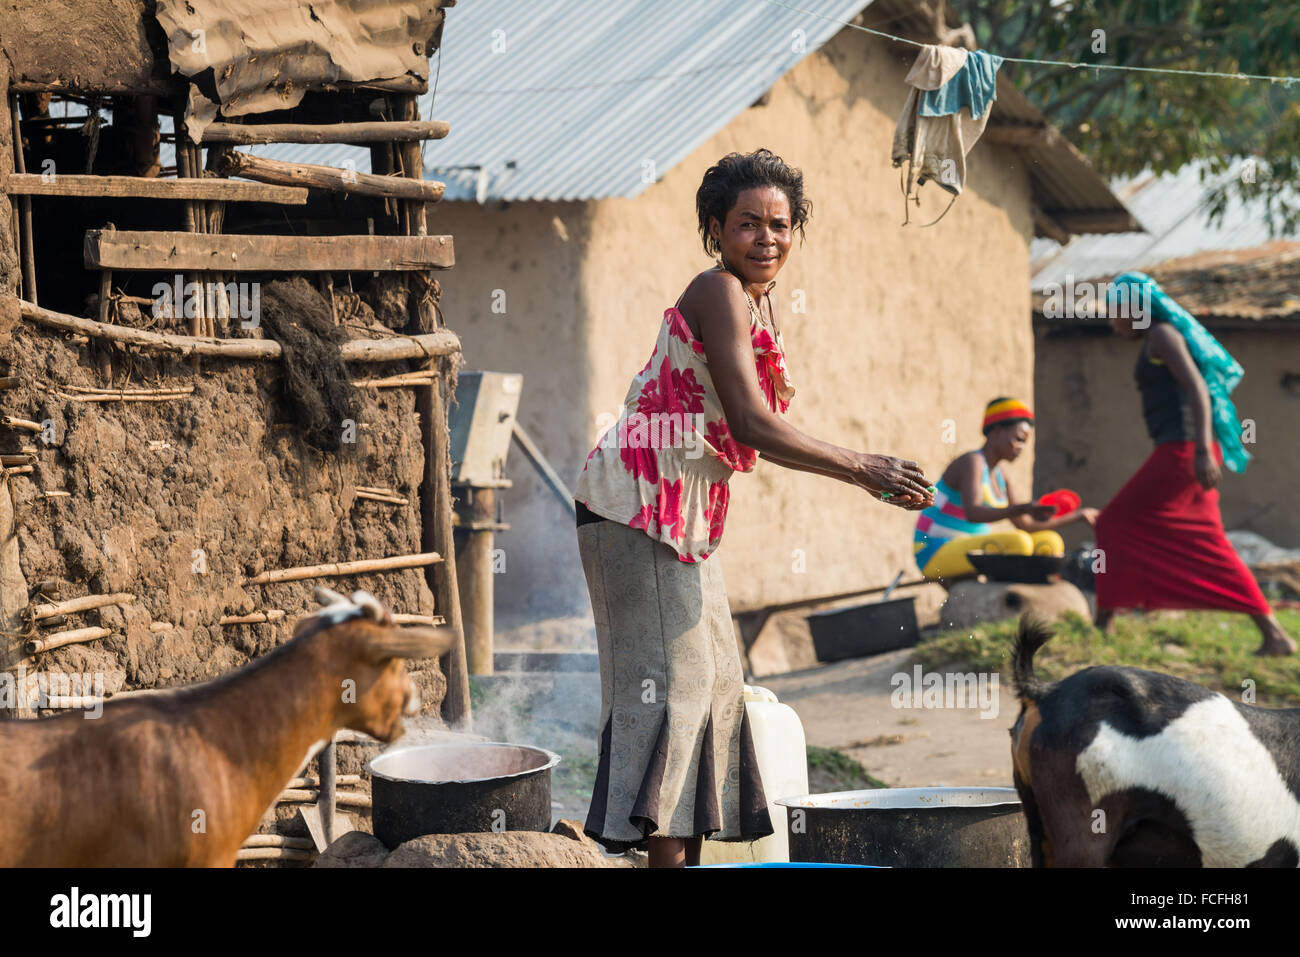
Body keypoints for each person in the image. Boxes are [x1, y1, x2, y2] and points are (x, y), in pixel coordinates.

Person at [571, 149, 934, 867]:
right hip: (632, 506)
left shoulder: (755, 300)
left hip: (681, 517)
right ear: (715, 229)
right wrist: (863, 465)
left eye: (780, 223)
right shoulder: (717, 290)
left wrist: (861, 469)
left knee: (714, 686)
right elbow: (750, 422)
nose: (767, 237)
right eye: (748, 224)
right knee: (671, 692)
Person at [1095, 272, 1295, 655]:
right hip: (1187, 450)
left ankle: (1105, 621)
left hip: (1184, 452)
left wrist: (1203, 449)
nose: (1111, 320)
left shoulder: (1162, 335)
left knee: (1112, 522)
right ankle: (1274, 634)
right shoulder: (1156, 338)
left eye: (1114, 310)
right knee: (1208, 541)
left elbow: (1197, 388)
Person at [913, 397, 1098, 582]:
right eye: (1018, 439)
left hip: (969, 549)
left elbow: (1026, 525)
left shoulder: (1001, 476)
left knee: (1050, 541)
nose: (1022, 447)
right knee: (1018, 543)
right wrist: (1024, 508)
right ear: (997, 431)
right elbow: (973, 513)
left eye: (1025, 442)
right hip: (933, 550)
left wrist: (1079, 515)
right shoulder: (972, 462)